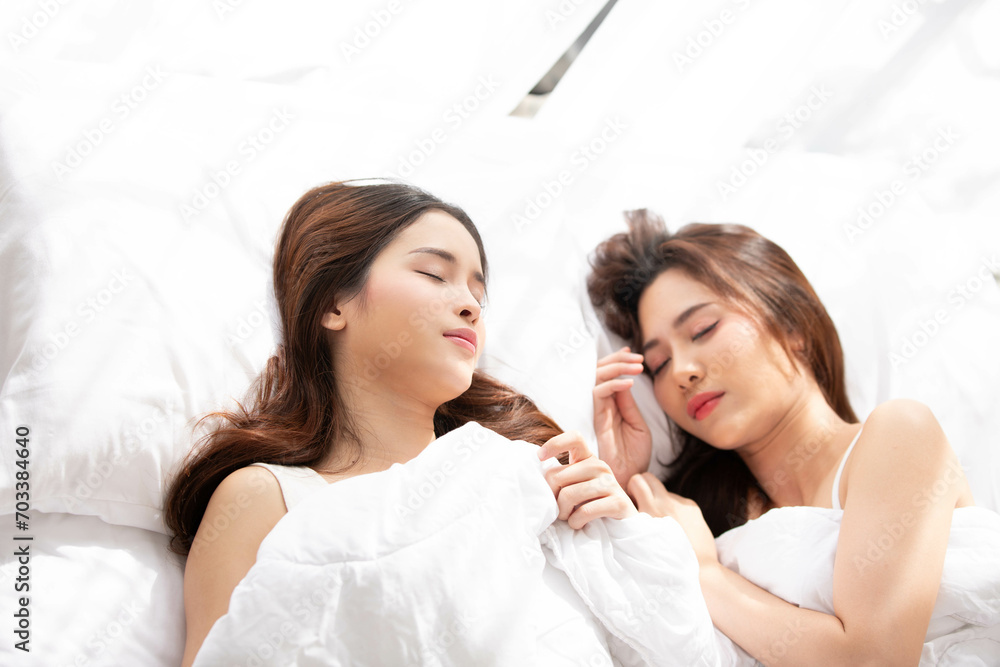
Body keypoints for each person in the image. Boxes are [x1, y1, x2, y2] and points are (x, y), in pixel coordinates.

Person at [164, 181, 639, 666]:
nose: (471, 306)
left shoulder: (529, 480)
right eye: (434, 274)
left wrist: (626, 533)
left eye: (478, 293)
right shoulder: (265, 498)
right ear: (333, 304)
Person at [586, 209, 1000, 665]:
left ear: (792, 326)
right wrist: (628, 481)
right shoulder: (699, 520)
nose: (683, 371)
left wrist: (703, 571)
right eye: (660, 364)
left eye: (703, 329)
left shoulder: (901, 434)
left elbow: (873, 658)